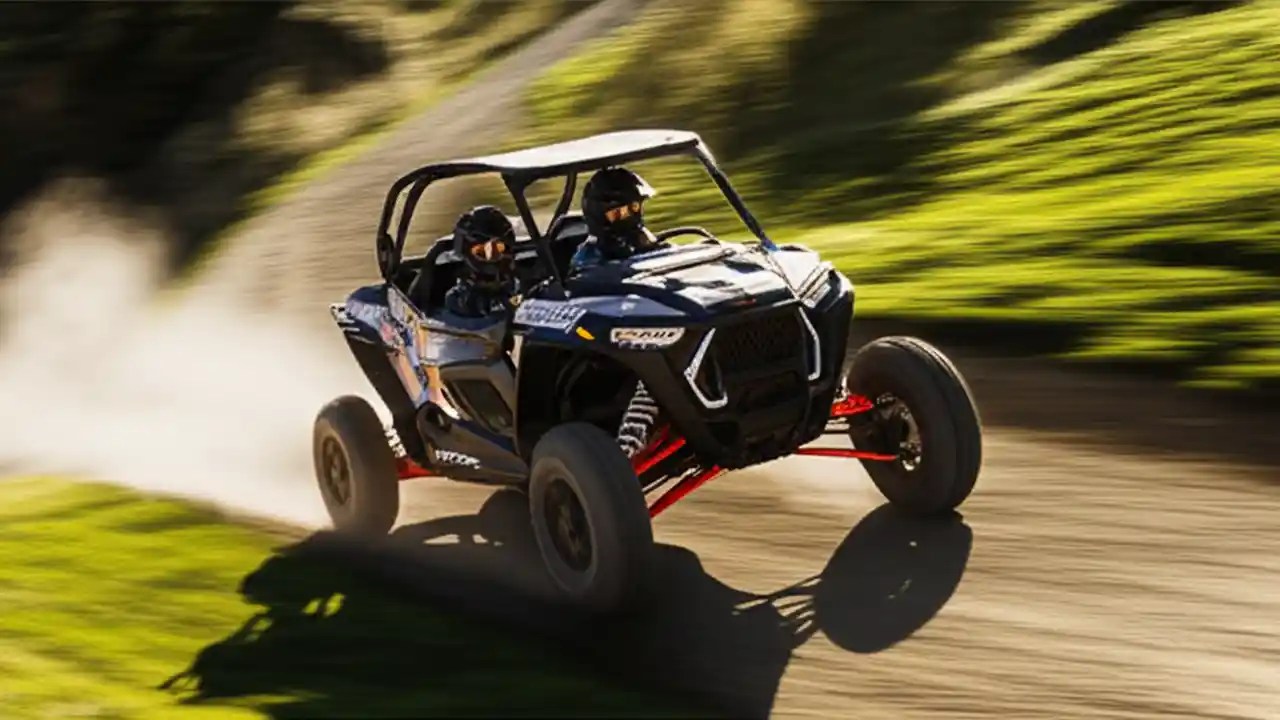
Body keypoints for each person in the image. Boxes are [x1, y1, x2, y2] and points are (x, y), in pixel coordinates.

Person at [569, 166, 668, 273]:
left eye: (635, 207)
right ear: (600, 213)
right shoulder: (588, 260)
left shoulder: (641, 240)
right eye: (621, 211)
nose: (632, 215)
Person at [443, 205, 518, 319]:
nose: (494, 257)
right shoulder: (457, 300)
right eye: (482, 252)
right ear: (466, 253)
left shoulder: (519, 288)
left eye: (499, 248)